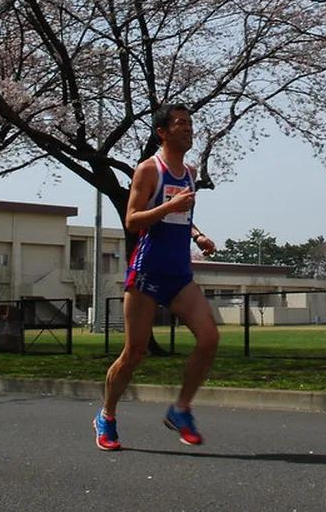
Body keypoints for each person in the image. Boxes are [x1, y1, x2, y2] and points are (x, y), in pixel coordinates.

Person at [94, 103, 218, 451]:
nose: (188, 129)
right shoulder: (149, 169)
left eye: (191, 124)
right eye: (180, 124)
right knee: (134, 353)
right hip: (147, 271)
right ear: (162, 132)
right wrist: (167, 208)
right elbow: (133, 220)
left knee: (209, 339)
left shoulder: (190, 172)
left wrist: (198, 236)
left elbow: (182, 213)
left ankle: (181, 409)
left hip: (179, 272)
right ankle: (107, 415)